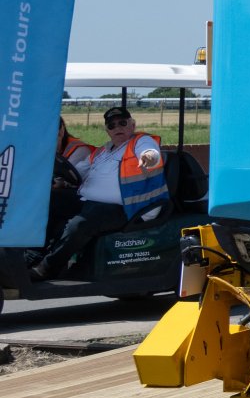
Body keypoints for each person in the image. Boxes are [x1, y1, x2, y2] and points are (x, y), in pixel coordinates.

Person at [30, 106, 167, 280]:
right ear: (107, 130)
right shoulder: (103, 151)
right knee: (48, 201)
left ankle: (48, 267)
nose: (118, 128)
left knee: (79, 225)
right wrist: (61, 181)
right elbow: (77, 171)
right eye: (112, 125)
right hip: (90, 201)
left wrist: (148, 157)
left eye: (122, 123)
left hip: (127, 207)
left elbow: (151, 153)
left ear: (132, 125)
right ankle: (32, 254)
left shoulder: (141, 142)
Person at [46, 117, 97, 241]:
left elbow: (66, 179)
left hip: (79, 194)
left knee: (49, 199)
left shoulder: (79, 150)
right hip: (64, 192)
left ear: (61, 131)